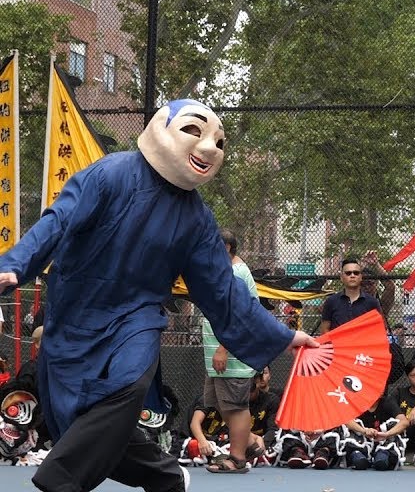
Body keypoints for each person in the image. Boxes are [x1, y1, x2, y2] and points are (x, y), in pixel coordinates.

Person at [0, 99, 316, 492]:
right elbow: (59, 221)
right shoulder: (110, 174)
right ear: (160, 128)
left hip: (138, 316)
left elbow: (223, 291)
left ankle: (60, 480)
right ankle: (166, 477)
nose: (209, 149)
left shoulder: (199, 220)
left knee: (127, 386)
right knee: (84, 417)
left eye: (219, 142)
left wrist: (285, 335)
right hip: (75, 316)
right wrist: (15, 264)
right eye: (194, 131)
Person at [200, 229, 260, 473]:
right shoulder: (226, 271)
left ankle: (237, 458)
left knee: (235, 406)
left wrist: (224, 348)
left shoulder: (236, 274)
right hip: (218, 357)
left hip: (230, 356)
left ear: (225, 248)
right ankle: (249, 443)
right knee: (224, 405)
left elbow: (240, 314)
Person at [318, 257, 382, 334]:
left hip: (363, 345)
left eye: (356, 273)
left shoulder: (372, 302)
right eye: (348, 273)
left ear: (361, 277)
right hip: (338, 345)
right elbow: (325, 328)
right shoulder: (331, 301)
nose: (352, 275)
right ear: (341, 277)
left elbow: (378, 329)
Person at [246, 368, 280, 466]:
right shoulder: (235, 400)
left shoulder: (271, 399)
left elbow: (273, 428)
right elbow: (232, 428)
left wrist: (262, 445)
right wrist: (254, 439)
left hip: (264, 440)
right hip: (243, 439)